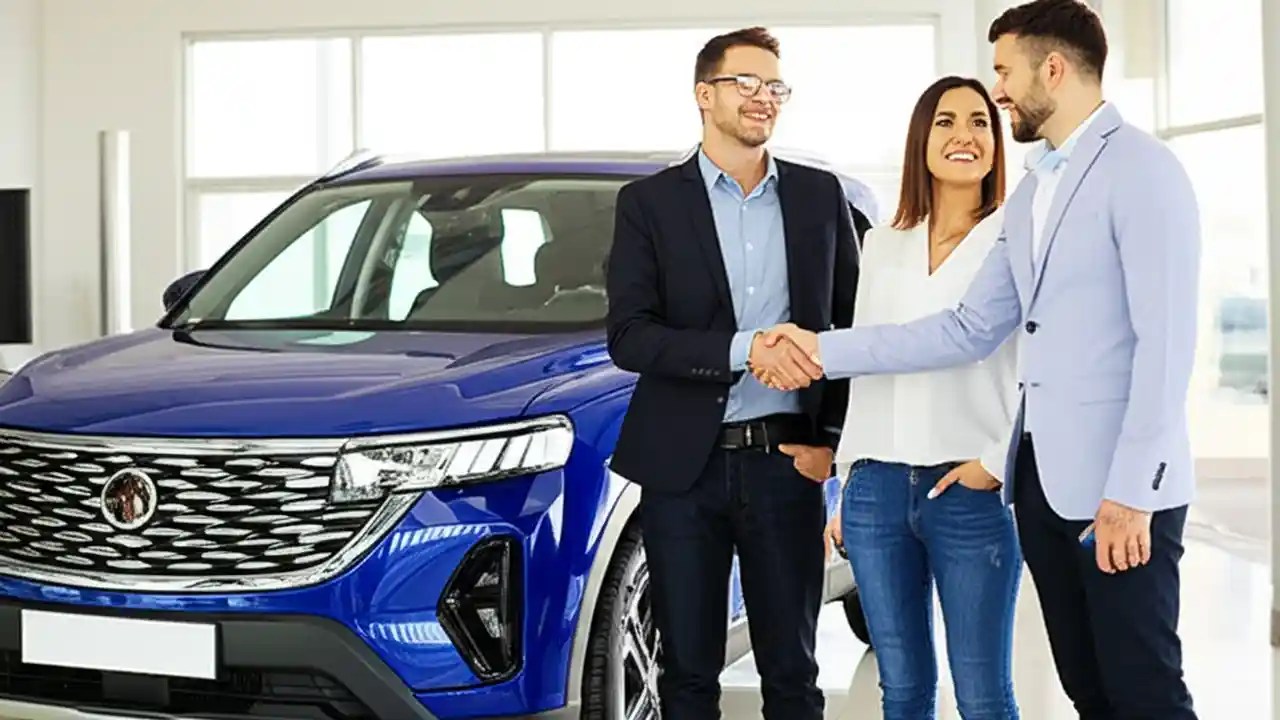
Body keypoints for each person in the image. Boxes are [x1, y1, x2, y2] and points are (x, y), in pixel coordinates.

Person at [757, 2, 1200, 718]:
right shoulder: (1036, 193)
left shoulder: (1142, 169)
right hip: (1046, 491)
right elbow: (965, 329)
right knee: (1090, 691)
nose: (998, 92)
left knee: (1145, 691)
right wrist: (820, 347)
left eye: (1004, 72)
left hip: (1118, 495)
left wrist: (1133, 493)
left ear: (1051, 69)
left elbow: (1167, 343)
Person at [604, 26, 867, 720]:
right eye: (745, 82)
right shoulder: (649, 204)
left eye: (775, 86)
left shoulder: (819, 197)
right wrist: (745, 349)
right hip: (682, 473)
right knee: (687, 676)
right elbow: (630, 336)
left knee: (793, 674)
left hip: (787, 464)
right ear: (704, 94)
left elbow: (852, 328)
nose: (763, 97)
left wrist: (830, 442)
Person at [825, 75, 1022, 720]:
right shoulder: (883, 244)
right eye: (946, 121)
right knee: (902, 690)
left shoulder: (1016, 236)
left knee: (983, 695)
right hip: (877, 489)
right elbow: (866, 362)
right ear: (921, 139)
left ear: (996, 143)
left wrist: (997, 459)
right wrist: (849, 478)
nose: (964, 135)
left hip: (970, 487)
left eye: (979, 122)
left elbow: (1041, 362)